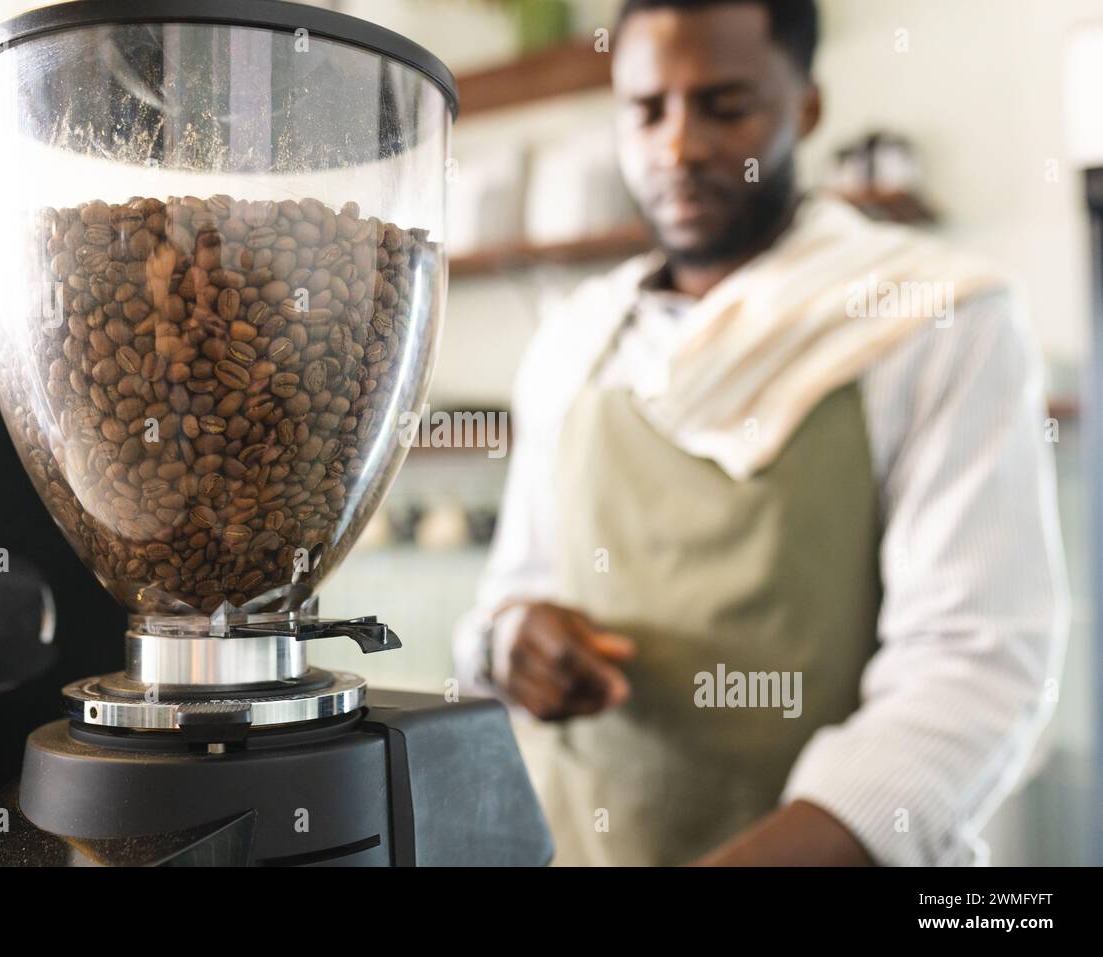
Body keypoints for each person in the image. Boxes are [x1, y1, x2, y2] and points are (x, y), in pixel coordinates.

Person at [453, 0, 1069, 866]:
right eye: (647, 109)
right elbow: (503, 598)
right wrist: (512, 639)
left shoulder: (935, 318)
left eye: (725, 106)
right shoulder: (576, 339)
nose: (677, 147)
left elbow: (972, 669)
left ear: (806, 107)